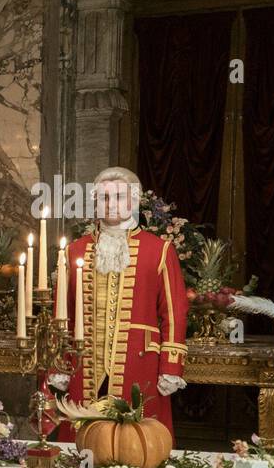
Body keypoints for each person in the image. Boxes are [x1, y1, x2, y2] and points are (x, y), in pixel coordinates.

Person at [51, 166, 189, 434]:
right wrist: (60, 364)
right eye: (104, 198)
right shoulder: (74, 250)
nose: (110, 205)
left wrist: (171, 365)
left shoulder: (159, 250)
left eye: (118, 198)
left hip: (139, 362)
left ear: (134, 201)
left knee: (138, 438)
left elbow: (174, 312)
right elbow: (62, 314)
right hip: (85, 361)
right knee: (81, 438)